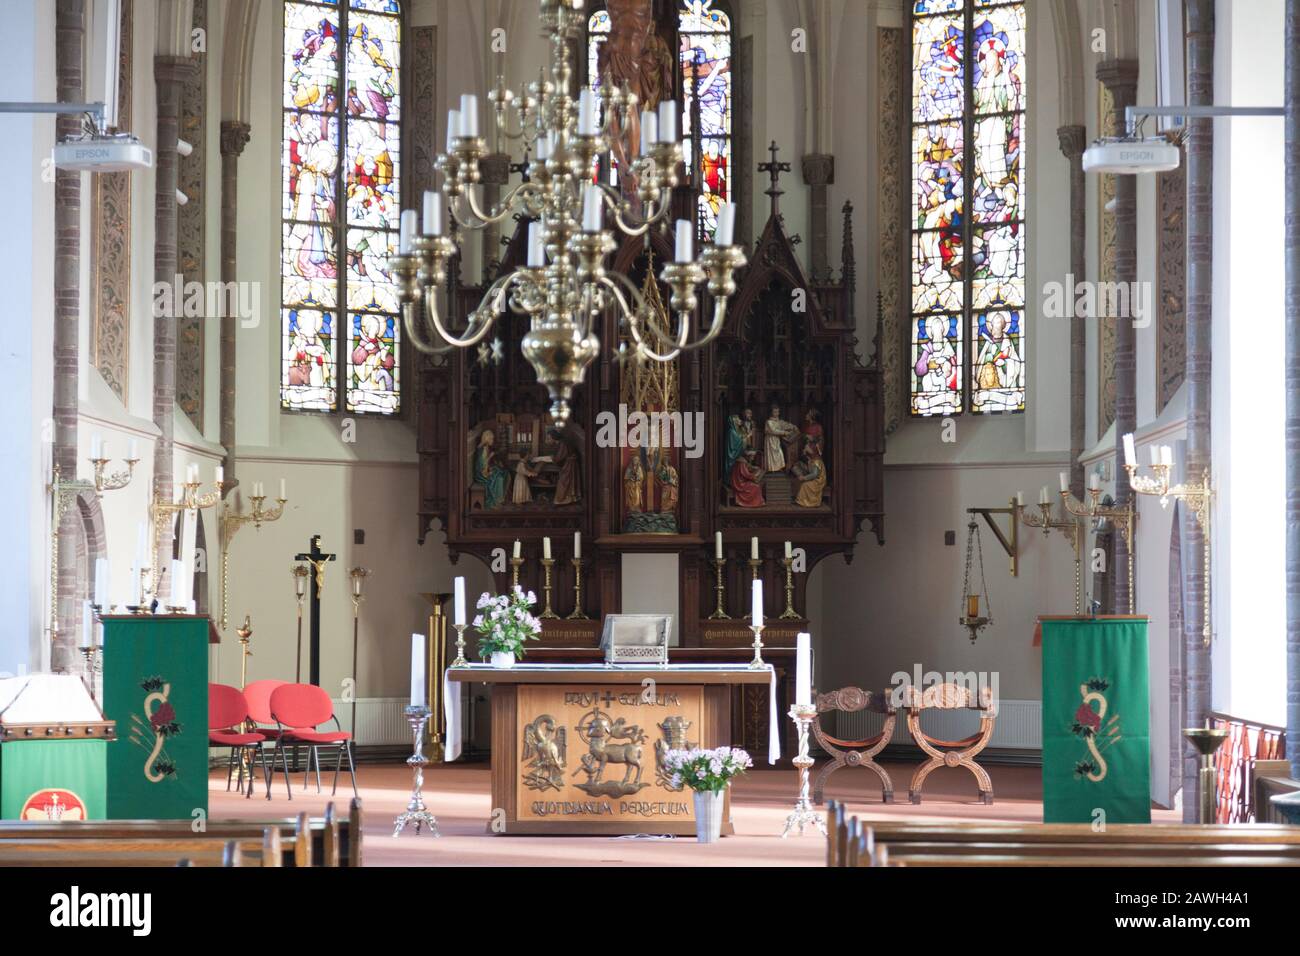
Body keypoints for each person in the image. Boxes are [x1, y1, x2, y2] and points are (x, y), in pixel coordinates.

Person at [472, 430, 509, 510]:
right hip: (481, 475)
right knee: (499, 478)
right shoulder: (482, 449)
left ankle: (500, 499)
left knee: (502, 472)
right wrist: (490, 458)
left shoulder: (486, 447)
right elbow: (481, 466)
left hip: (485, 469)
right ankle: (495, 501)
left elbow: (485, 464)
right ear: (487, 439)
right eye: (491, 439)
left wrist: (490, 467)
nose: (493, 441)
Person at [763, 405, 799, 473]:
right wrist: (785, 433)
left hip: (776, 439)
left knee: (779, 453)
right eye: (775, 412)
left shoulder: (778, 421)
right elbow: (773, 431)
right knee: (772, 454)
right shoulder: (768, 422)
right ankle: (772, 469)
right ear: (771, 413)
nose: (776, 413)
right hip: (770, 440)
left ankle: (778, 468)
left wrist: (793, 427)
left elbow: (785, 425)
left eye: (777, 412)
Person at [793, 439, 827, 508]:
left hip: (818, 481)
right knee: (798, 483)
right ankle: (802, 501)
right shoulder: (812, 460)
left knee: (805, 485)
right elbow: (810, 470)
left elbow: (814, 474)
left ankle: (808, 502)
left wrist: (804, 478)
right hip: (814, 479)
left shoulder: (817, 461)